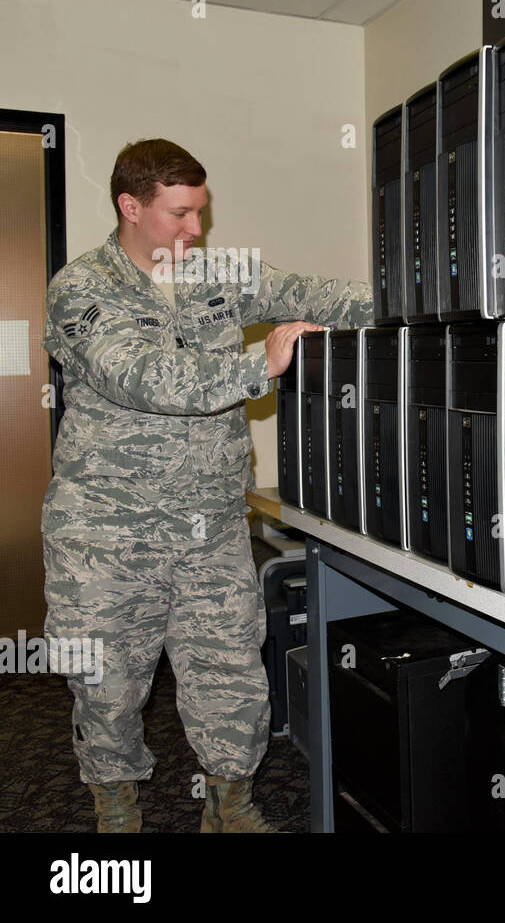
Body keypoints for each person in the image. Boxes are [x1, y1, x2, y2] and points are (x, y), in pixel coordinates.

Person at [41, 138, 373, 832]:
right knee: (106, 685)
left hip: (210, 528)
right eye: (180, 214)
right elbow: (139, 377)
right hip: (107, 534)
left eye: (201, 211)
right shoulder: (81, 289)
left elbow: (317, 294)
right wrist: (262, 363)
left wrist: (435, 299)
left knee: (230, 677)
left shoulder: (219, 273)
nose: (196, 230)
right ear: (131, 207)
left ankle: (229, 806)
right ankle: (117, 810)